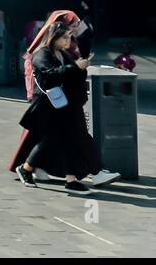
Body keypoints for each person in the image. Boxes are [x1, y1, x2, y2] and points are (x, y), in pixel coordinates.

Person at [12, 21, 98, 192]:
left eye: (69, 37)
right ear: (54, 37)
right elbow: (50, 75)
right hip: (47, 105)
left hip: (62, 105)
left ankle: (71, 180)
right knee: (51, 139)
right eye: (65, 37)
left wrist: (81, 67)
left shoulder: (63, 54)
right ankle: (26, 168)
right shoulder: (41, 54)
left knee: (68, 139)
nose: (68, 41)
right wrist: (75, 66)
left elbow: (70, 75)